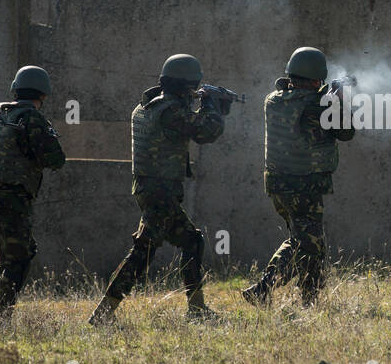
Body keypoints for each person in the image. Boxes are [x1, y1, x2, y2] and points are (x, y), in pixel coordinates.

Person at [89, 54, 230, 325]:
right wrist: (213, 106)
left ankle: (194, 309)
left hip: (150, 189)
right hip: (160, 192)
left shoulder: (147, 106)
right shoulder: (170, 111)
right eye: (191, 88)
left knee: (176, 244)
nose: (193, 93)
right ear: (182, 86)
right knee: (155, 250)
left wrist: (211, 105)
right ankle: (105, 313)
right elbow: (206, 132)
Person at [242, 46, 354, 308]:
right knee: (309, 244)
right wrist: (339, 99)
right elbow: (346, 132)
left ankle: (299, 298)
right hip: (305, 184)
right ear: (317, 78)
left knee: (303, 240)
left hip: (277, 183)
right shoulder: (316, 105)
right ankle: (270, 290)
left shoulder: (274, 99)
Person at [0, 65, 66, 323]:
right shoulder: (31, 118)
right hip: (9, 197)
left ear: (15, 89)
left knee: (13, 254)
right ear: (43, 94)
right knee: (20, 257)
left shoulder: (0, 115)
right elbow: (55, 158)